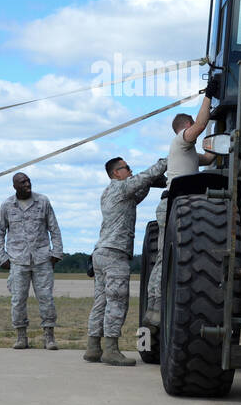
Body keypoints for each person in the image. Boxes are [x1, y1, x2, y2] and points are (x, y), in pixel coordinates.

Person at [143, 86, 218, 328]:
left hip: (182, 206)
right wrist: (208, 97)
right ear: (186, 126)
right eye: (193, 123)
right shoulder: (181, 140)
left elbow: (210, 157)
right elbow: (199, 128)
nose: (197, 123)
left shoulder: (188, 152)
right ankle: (154, 306)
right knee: (164, 257)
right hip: (172, 204)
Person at [86, 156, 166, 366]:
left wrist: (150, 183)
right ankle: (111, 350)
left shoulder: (110, 192)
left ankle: (93, 347)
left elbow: (139, 191)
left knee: (101, 302)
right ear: (116, 173)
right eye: (127, 168)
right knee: (117, 302)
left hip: (101, 252)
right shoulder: (122, 188)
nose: (130, 171)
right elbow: (144, 177)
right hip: (115, 254)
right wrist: (169, 157)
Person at [0, 172, 64, 351]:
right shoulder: (7, 205)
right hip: (18, 260)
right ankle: (21, 336)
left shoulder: (43, 202)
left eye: (28, 181)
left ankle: (49, 336)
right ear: (15, 186)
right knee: (18, 300)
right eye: (23, 182)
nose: (27, 184)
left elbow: (54, 228)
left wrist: (57, 252)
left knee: (46, 299)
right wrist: (1, 257)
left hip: (42, 259)